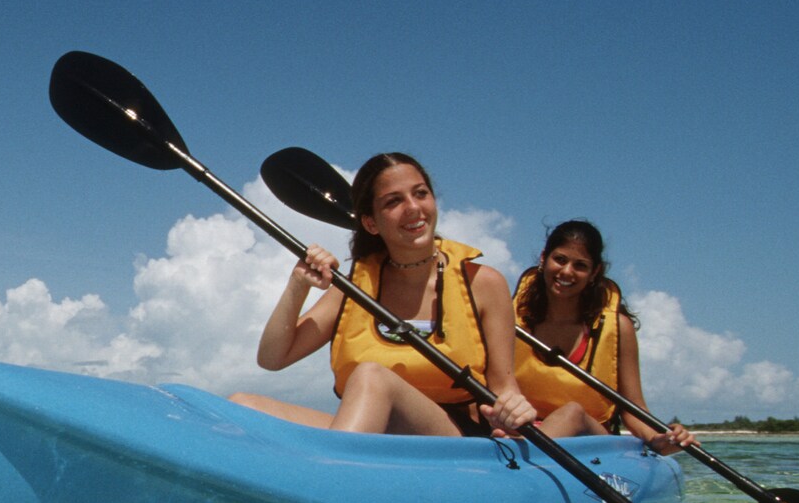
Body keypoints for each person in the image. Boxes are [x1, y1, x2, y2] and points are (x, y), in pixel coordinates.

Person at [230, 152, 536, 438]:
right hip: (374, 436)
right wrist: (299, 285)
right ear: (370, 223)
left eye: (420, 193)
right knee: (243, 405)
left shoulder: (483, 283)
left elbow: (504, 386)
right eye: (394, 201)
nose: (414, 208)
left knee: (373, 378)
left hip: (454, 437)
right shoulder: (355, 288)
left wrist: (513, 407)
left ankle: (330, 477)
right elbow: (272, 358)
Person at [513, 219, 694, 455]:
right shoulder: (511, 320)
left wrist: (659, 438)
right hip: (524, 431)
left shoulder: (619, 328)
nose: (567, 271)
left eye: (580, 265)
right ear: (543, 258)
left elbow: (633, 407)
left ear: (594, 272)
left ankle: (521, 462)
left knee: (572, 413)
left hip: (591, 440)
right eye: (560, 259)